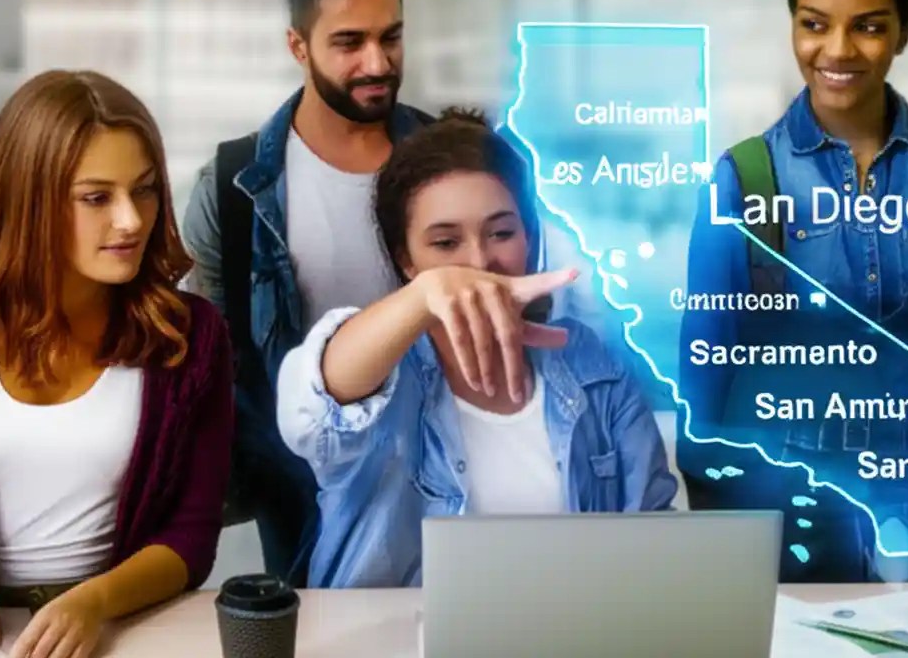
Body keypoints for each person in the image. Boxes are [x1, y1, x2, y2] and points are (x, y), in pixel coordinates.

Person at [678, 0, 908, 583]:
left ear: (904, 32)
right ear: (793, 24)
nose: (838, 51)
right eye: (814, 24)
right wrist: (710, 521)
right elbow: (704, 369)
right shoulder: (745, 177)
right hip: (781, 491)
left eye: (869, 27)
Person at [276, 110, 678, 588]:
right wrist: (428, 296)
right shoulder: (381, 372)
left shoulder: (593, 365)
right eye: (445, 243)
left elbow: (655, 544)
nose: (478, 262)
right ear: (405, 259)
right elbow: (311, 410)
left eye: (501, 233)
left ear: (529, 236)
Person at [181, 0, 433, 586]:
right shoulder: (234, 189)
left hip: (446, 480)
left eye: (391, 37)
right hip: (300, 499)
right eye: (349, 42)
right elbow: (214, 371)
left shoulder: (455, 162)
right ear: (299, 46)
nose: (377, 62)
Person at [0, 70, 234, 658]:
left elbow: (191, 537)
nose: (131, 220)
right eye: (97, 198)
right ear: (30, 199)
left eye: (143, 190)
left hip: (129, 624)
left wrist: (92, 603)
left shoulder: (190, 337)